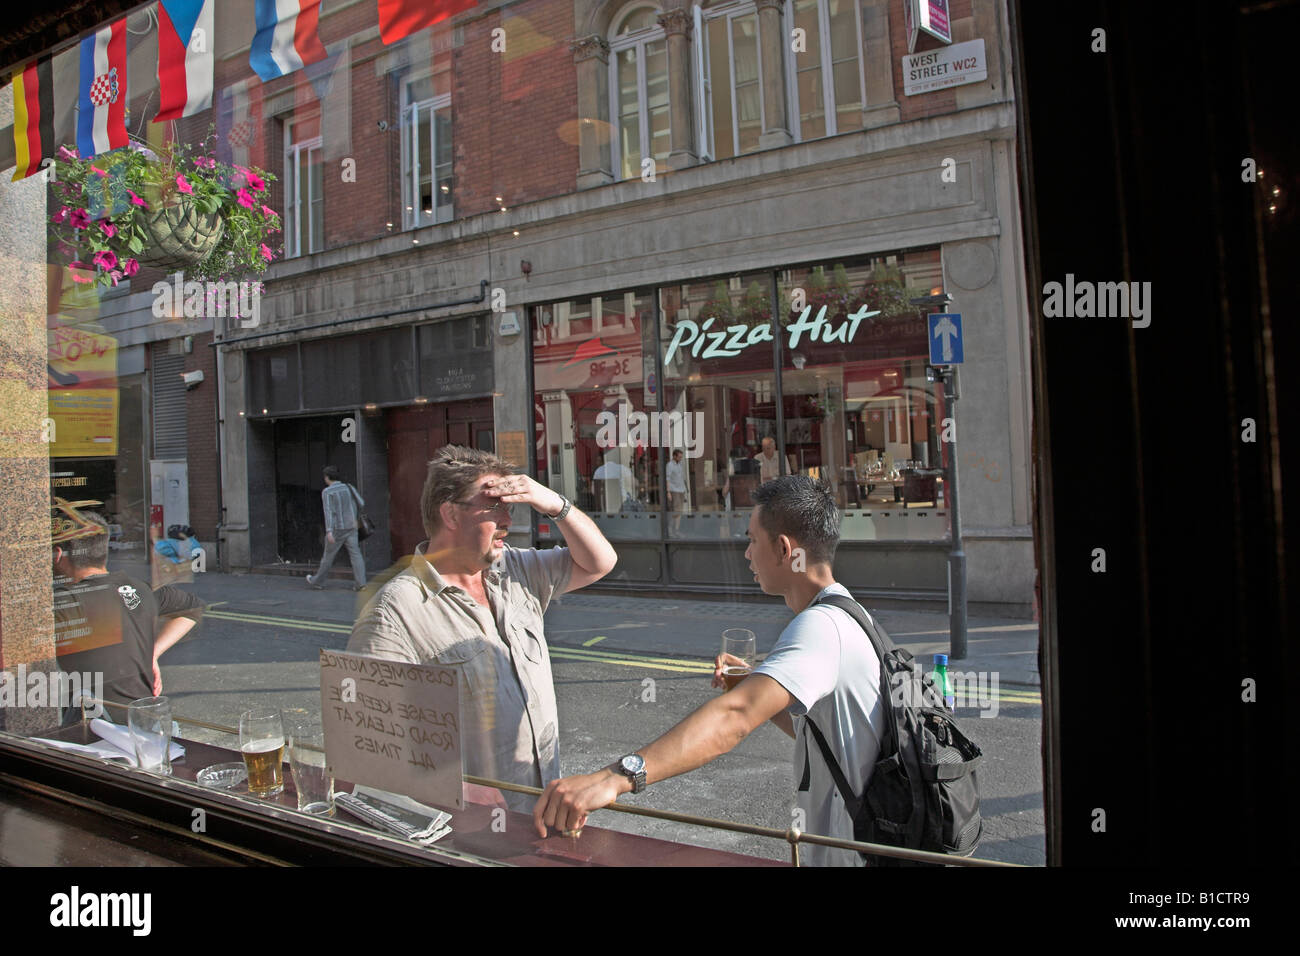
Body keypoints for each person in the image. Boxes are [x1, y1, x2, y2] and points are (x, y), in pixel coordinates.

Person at [533, 475, 885, 865]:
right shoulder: (847, 612)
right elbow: (815, 732)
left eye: (752, 540)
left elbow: (734, 719)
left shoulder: (820, 627)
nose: (747, 554)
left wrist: (616, 777)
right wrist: (751, 685)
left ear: (784, 549)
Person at [346, 445, 618, 810]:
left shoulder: (517, 570)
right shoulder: (395, 611)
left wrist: (554, 504)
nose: (508, 520)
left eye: (510, 506)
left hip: (540, 809)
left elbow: (600, 561)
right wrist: (451, 786)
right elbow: (367, 739)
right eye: (495, 506)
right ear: (451, 514)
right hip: (469, 830)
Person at [52, 511, 205, 725]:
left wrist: (149, 653)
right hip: (145, 726)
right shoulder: (139, 589)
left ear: (57, 555)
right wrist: (152, 653)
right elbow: (193, 609)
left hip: (96, 732)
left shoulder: (63, 604)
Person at [306, 465, 366, 591]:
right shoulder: (349, 487)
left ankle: (317, 581)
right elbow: (361, 502)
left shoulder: (327, 492)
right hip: (352, 526)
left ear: (327, 478)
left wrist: (329, 531)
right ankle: (361, 583)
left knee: (328, 556)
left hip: (337, 529)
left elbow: (328, 512)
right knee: (356, 554)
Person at [665, 449, 687, 536]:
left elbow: (682, 478)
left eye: (681, 457)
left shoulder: (680, 464)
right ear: (674, 456)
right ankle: (671, 530)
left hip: (681, 490)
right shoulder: (670, 465)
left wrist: (685, 490)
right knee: (675, 511)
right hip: (674, 490)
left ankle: (676, 530)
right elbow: (668, 479)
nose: (681, 458)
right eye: (679, 457)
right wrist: (668, 492)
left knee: (679, 512)